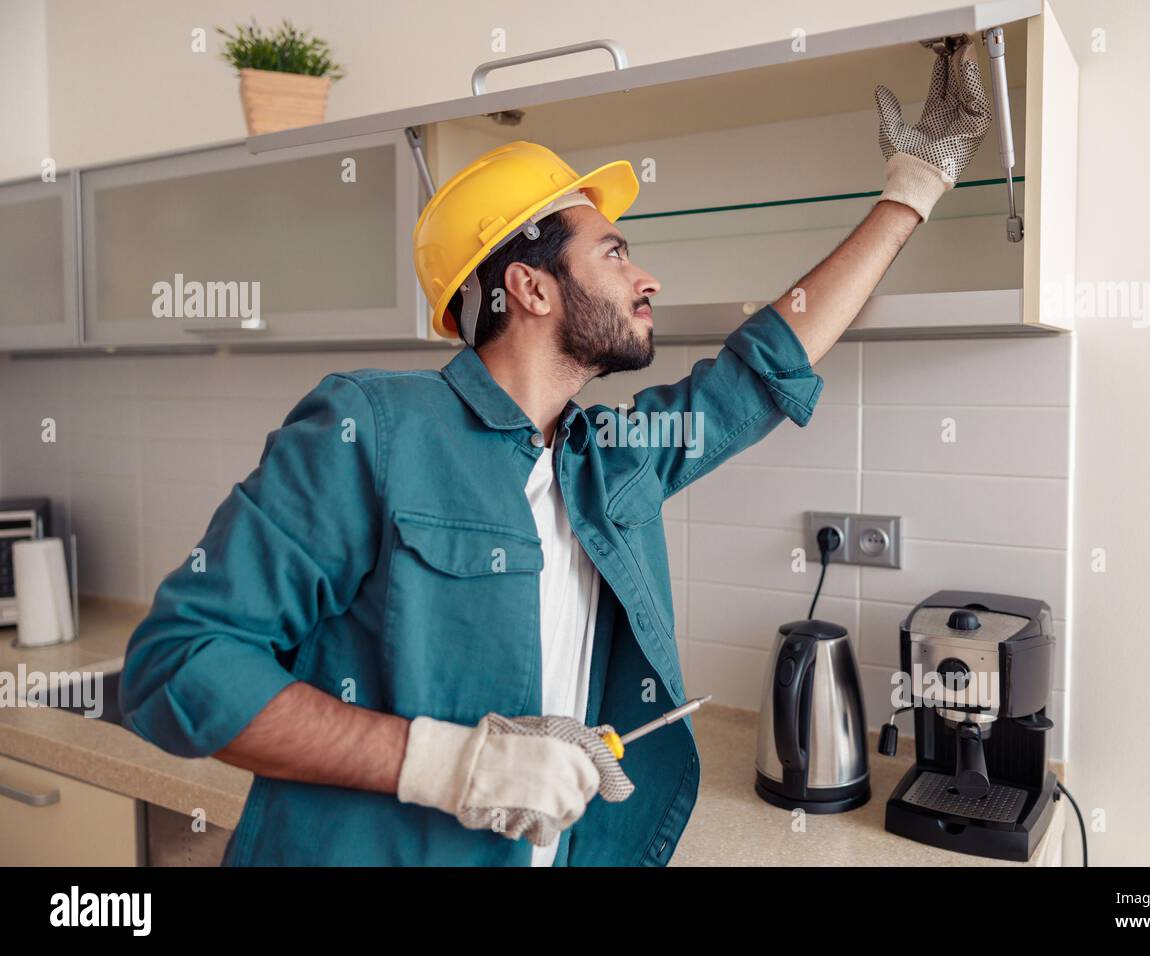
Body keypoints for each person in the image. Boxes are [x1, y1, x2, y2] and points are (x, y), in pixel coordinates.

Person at [118, 38, 991, 865]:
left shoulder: (610, 455)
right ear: (529, 286)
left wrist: (912, 187)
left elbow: (761, 369)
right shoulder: (372, 429)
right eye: (613, 252)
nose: (645, 279)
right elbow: (177, 665)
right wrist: (451, 764)